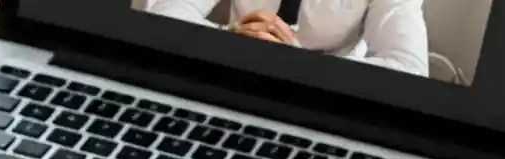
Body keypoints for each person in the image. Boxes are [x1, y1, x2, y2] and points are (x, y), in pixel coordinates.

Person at [144, 0, 429, 77]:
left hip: (329, 95)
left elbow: (409, 67)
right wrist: (228, 38)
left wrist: (297, 61)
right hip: (231, 69)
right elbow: (163, 15)